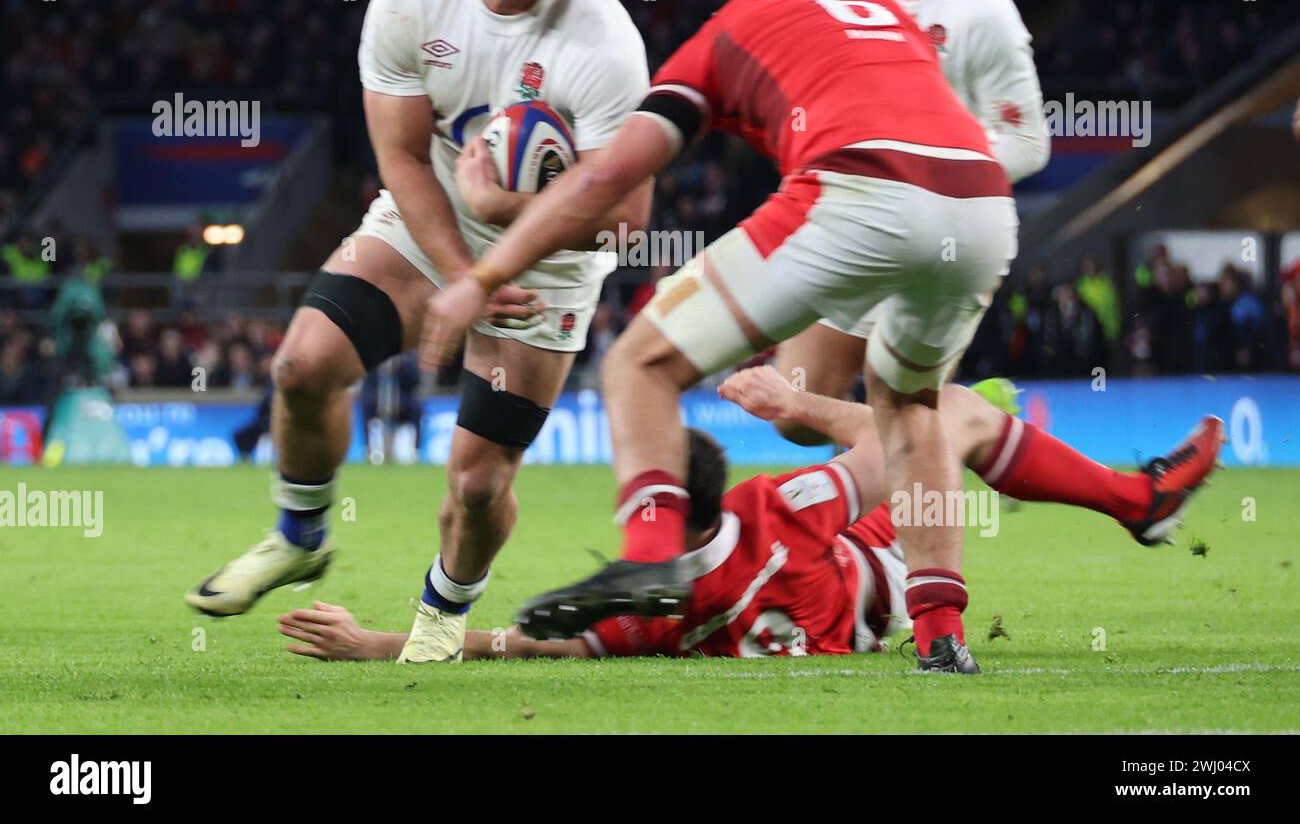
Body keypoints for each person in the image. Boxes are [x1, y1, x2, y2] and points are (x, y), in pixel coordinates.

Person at [423, 0, 1028, 670]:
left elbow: (610, 176)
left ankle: (650, 554)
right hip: (984, 205)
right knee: (908, 407)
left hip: (860, 191)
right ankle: (942, 637)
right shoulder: (890, 17)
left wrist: (481, 271)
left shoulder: (746, 17)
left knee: (637, 364)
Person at [186, 0, 651, 670]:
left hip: (546, 266)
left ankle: (441, 617)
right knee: (302, 365)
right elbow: (401, 157)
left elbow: (626, 222)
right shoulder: (410, 3)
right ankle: (301, 533)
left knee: (477, 486)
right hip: (424, 223)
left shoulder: (606, 41)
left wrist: (499, 235)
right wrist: (463, 268)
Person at [279, 371, 1223, 665]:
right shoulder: (772, 507)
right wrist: (798, 408)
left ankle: (1034, 457)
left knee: (952, 418)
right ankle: (1122, 495)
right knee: (946, 411)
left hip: (830, 623)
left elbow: (519, 649)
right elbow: (900, 445)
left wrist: (376, 645)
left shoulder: (641, 617)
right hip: (876, 570)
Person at [772, 0, 1049, 444]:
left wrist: (933, 175)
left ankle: (915, 480)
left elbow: (1031, 141)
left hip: (941, 244)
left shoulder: (983, 9)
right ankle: (974, 418)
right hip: (856, 226)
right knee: (795, 412)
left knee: (897, 421)